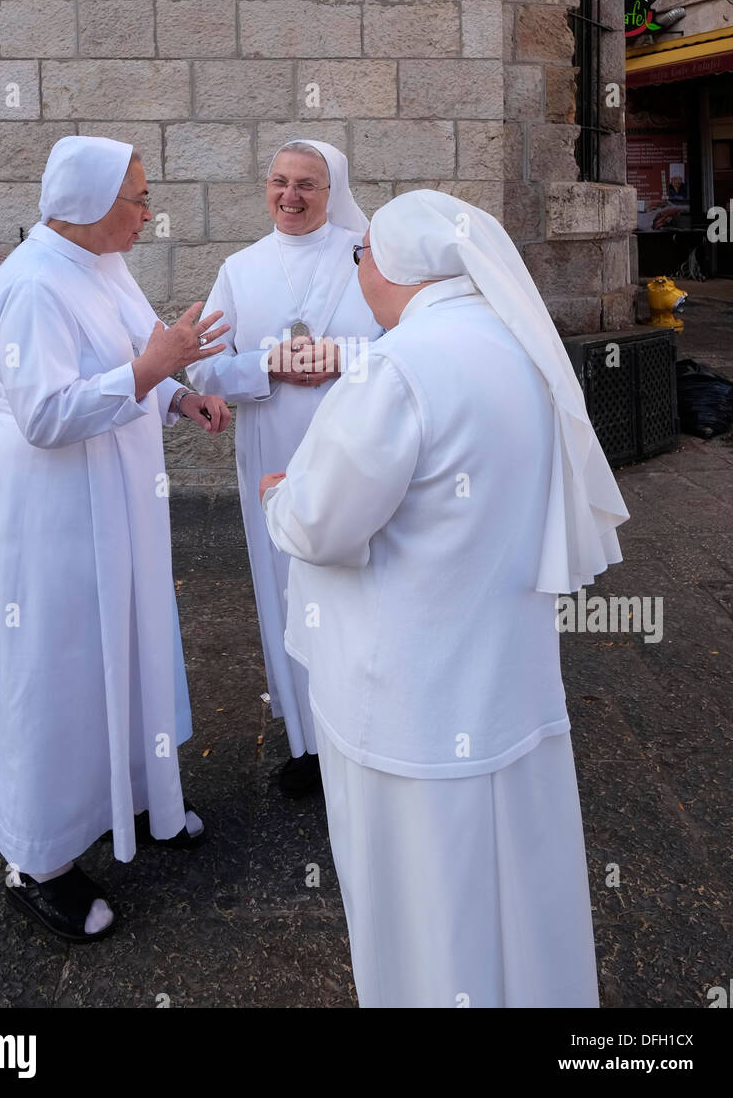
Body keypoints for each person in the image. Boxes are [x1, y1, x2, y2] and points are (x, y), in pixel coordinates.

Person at [260, 189, 629, 1007]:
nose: (357, 265)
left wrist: (278, 495)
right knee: (513, 880)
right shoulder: (514, 343)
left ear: (395, 265)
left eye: (361, 253)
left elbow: (323, 524)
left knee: (422, 902)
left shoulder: (399, 367)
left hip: (410, 696)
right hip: (502, 674)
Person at [0, 135, 231, 943]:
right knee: (58, 665)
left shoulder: (100, 261)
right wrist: (154, 373)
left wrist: (178, 395)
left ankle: (136, 797)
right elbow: (45, 416)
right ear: (87, 203)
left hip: (113, 497)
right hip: (49, 508)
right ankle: (36, 862)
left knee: (129, 641)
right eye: (136, 199)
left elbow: (136, 346)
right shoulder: (31, 285)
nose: (149, 212)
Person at [186, 140, 382, 797]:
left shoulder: (367, 258)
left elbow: (411, 345)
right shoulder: (240, 269)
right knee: (284, 588)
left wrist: (340, 357)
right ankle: (308, 740)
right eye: (279, 181)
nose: (290, 196)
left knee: (360, 587)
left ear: (334, 192)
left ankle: (366, 732)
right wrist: (266, 364)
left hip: (357, 448)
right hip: (271, 448)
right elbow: (204, 369)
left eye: (307, 185)